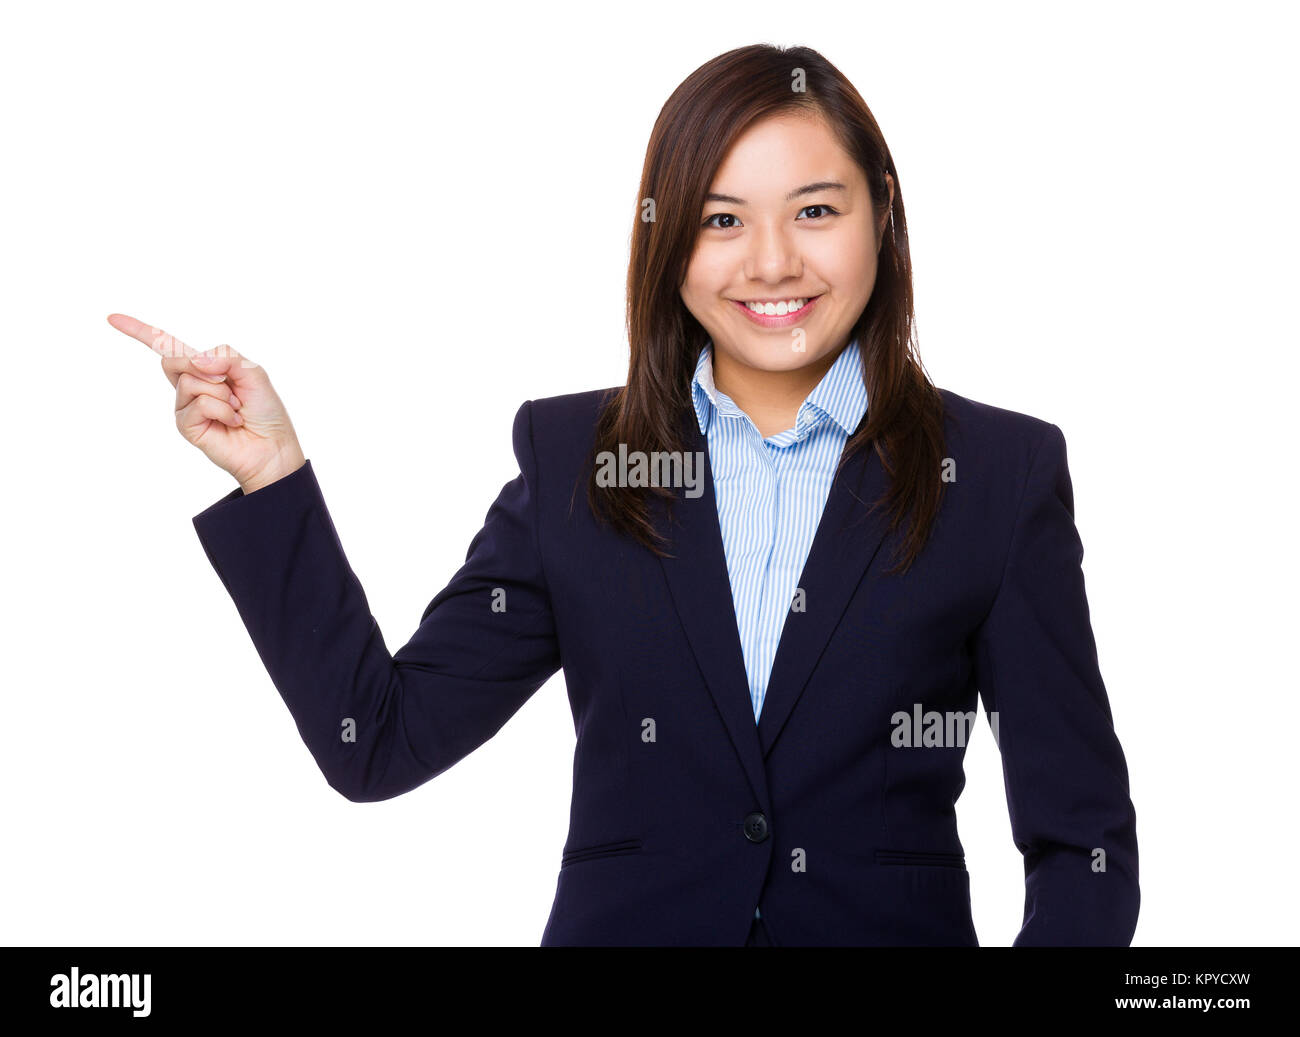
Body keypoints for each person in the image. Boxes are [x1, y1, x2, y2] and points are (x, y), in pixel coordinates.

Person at [110, 43, 1139, 947]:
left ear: (882, 213)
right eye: (721, 218)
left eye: (815, 211)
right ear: (667, 240)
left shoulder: (999, 474)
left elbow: (1080, 837)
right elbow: (374, 743)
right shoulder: (577, 461)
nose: (772, 260)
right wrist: (273, 478)